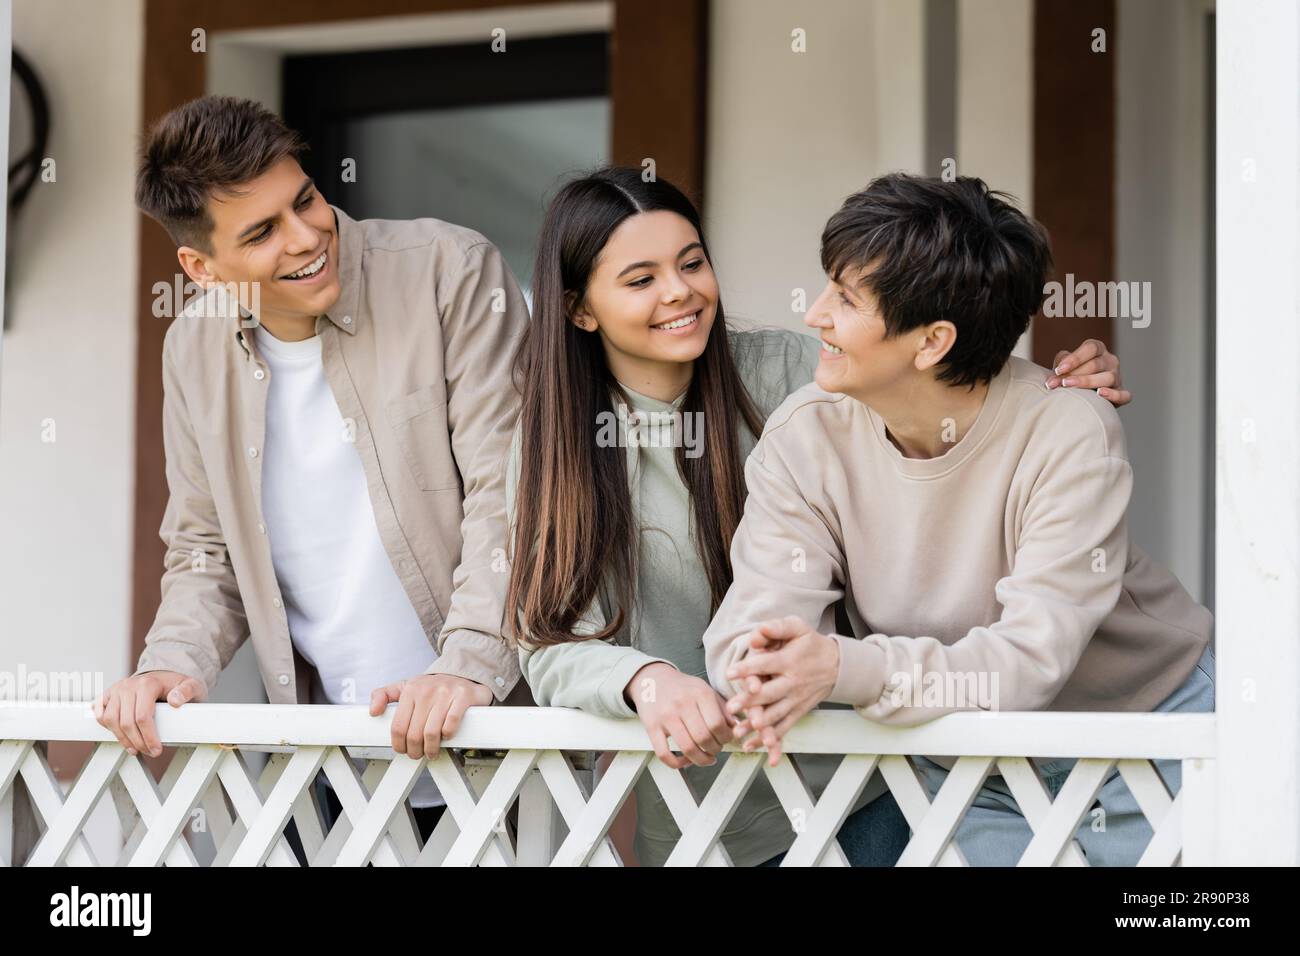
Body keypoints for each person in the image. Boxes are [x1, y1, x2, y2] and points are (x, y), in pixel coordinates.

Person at [509, 166, 1130, 866]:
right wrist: (649, 679)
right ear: (579, 309)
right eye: (640, 279)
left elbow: (933, 363)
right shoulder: (557, 449)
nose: (680, 291)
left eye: (692, 263)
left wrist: (1050, 387)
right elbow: (549, 637)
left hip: (866, 767)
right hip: (704, 787)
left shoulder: (796, 376)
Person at [705, 173, 1213, 866]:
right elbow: (753, 624)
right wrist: (761, 668)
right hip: (971, 762)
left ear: (932, 341)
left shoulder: (1067, 430)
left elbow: (1028, 660)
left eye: (845, 298)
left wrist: (843, 668)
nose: (815, 313)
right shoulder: (804, 438)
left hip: (1151, 731)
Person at [93, 96, 530, 842]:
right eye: (263, 232)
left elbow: (512, 494)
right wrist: (172, 659)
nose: (307, 237)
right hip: (319, 762)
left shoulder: (448, 271)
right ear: (200, 267)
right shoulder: (191, 350)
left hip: (490, 741)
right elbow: (205, 547)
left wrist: (467, 667)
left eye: (306, 200)